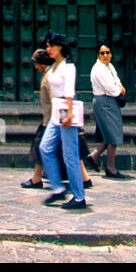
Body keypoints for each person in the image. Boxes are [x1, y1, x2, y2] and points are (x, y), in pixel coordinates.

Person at [22, 48, 91, 192]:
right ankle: (84, 178)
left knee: (44, 147)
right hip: (54, 118)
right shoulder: (51, 73)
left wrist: (62, 118)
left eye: (36, 64)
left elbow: (58, 100)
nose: (35, 67)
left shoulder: (50, 77)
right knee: (69, 148)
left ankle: (41, 180)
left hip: (53, 119)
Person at [39, 32, 87, 211]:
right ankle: (58, 188)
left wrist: (68, 114)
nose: (48, 49)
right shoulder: (54, 67)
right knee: (45, 147)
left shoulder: (68, 67)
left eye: (51, 46)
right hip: (56, 110)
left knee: (70, 156)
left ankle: (79, 196)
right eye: (47, 46)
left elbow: (69, 90)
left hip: (66, 110)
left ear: (59, 47)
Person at [88, 42, 130, 179]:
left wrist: (119, 86)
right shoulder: (98, 69)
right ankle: (110, 168)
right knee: (113, 136)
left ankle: (94, 156)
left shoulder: (109, 66)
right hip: (105, 103)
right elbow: (109, 88)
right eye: (102, 53)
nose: (105, 55)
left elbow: (116, 80)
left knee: (110, 134)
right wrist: (120, 90)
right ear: (98, 55)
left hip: (110, 102)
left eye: (108, 52)